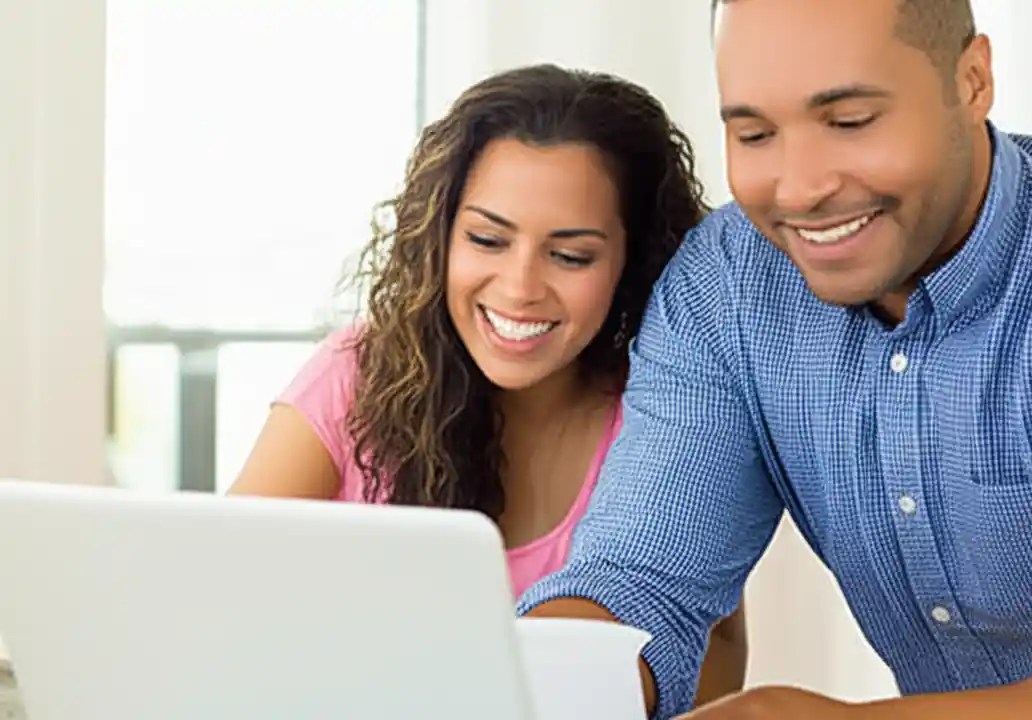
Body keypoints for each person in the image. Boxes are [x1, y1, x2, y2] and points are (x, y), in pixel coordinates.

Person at [517, 0, 1032, 718]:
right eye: (753, 135)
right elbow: (638, 584)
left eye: (849, 121)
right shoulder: (726, 287)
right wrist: (524, 681)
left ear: (971, 80)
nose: (801, 187)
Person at [228, 63, 749, 706]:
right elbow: (218, 592)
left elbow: (712, 657)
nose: (520, 287)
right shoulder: (354, 379)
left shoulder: (671, 415)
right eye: (486, 239)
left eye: (571, 255)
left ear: (632, 259)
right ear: (440, 236)